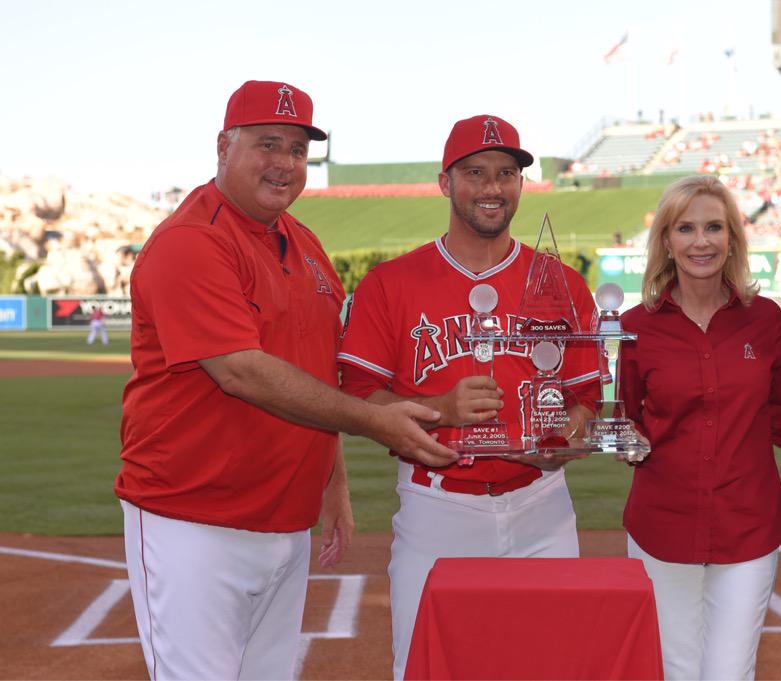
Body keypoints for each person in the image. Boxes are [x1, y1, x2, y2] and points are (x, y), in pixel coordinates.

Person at [115, 80, 457, 681]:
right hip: (193, 519)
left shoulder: (305, 244)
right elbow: (241, 370)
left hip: (284, 519)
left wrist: (334, 482)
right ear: (224, 146)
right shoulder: (191, 242)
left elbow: (318, 369)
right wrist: (377, 420)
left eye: (298, 150)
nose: (285, 164)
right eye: (267, 144)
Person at [336, 114, 603, 679]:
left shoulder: (563, 284)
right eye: (475, 172)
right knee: (428, 666)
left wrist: (566, 436)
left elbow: (585, 400)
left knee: (551, 667)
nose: (492, 187)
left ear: (521, 185)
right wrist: (442, 410)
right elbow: (361, 401)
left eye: (506, 173)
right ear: (445, 183)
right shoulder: (391, 284)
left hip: (542, 508)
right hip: (439, 508)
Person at [616, 175, 781, 680]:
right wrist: (626, 442)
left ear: (732, 239)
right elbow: (628, 417)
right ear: (666, 241)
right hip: (663, 525)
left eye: (714, 228)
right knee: (676, 670)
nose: (701, 241)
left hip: (748, 524)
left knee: (728, 673)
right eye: (686, 228)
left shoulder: (766, 319)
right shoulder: (637, 325)